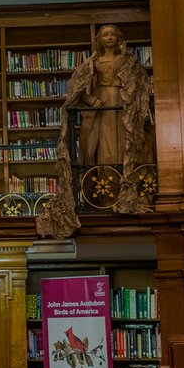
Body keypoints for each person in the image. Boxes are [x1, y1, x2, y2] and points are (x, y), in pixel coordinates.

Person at [37, 23, 154, 239]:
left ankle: (128, 193)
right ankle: (107, 197)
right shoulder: (92, 63)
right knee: (104, 149)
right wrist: (91, 100)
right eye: (105, 35)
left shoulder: (130, 62)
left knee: (126, 145)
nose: (109, 38)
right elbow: (78, 89)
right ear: (99, 40)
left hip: (123, 105)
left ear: (118, 38)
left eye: (112, 35)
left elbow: (142, 86)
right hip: (102, 108)